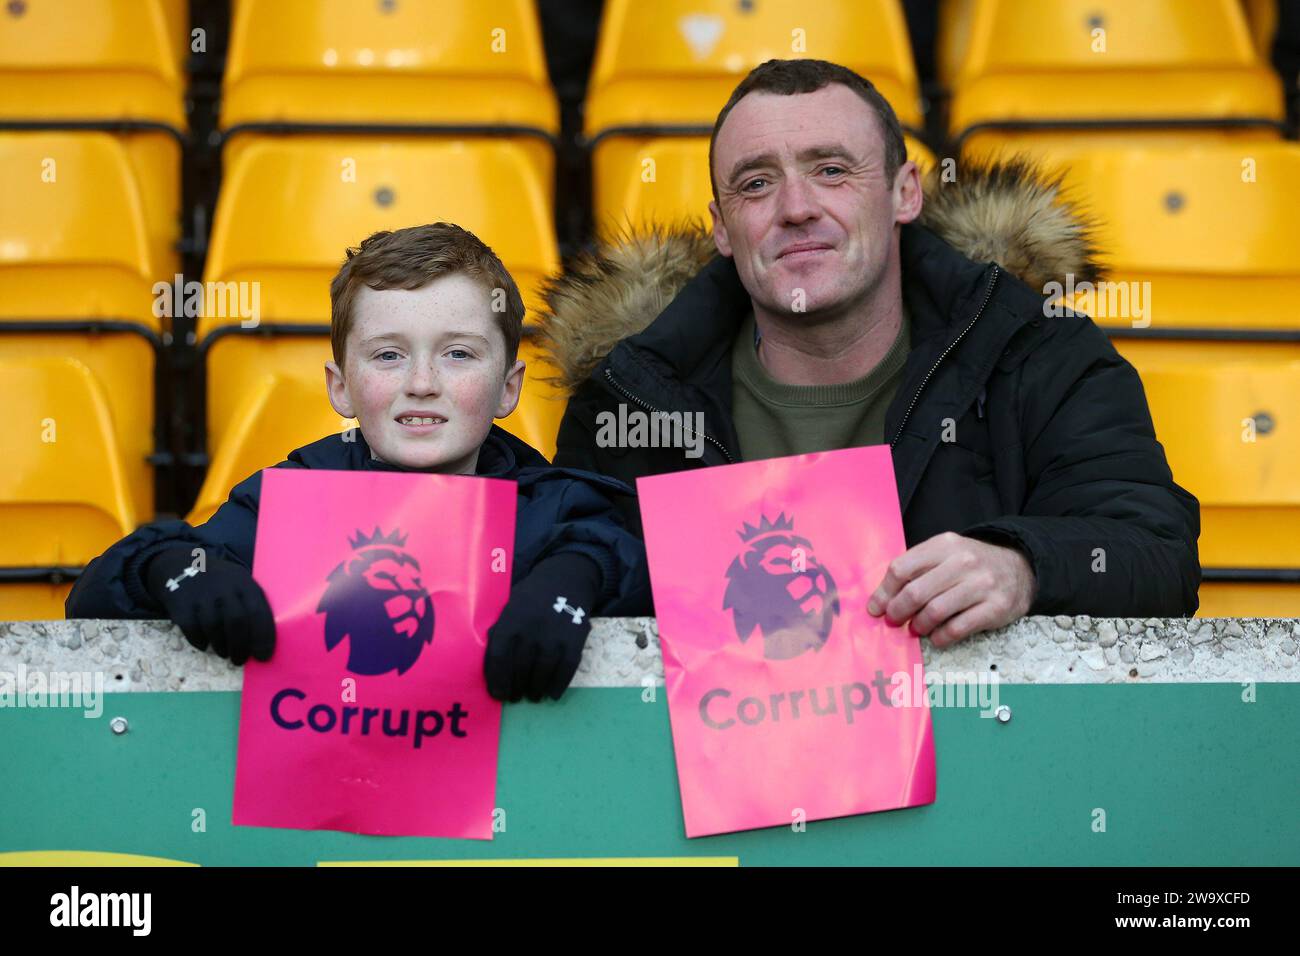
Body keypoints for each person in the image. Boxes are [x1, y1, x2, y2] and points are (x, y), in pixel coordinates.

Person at [541, 58, 1201, 646]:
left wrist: (1022, 567)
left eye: (831, 171)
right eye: (756, 184)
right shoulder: (628, 403)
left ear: (905, 193)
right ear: (721, 227)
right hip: (711, 779)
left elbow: (1158, 556)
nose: (796, 208)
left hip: (993, 770)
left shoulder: (1036, 356)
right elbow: (580, 596)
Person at [66, 223, 647, 702]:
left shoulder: (562, 509)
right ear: (340, 387)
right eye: (389, 355)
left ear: (508, 388)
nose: (422, 383)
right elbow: (91, 601)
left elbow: (634, 570)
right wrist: (171, 567)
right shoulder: (290, 502)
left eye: (459, 354)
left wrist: (577, 577)